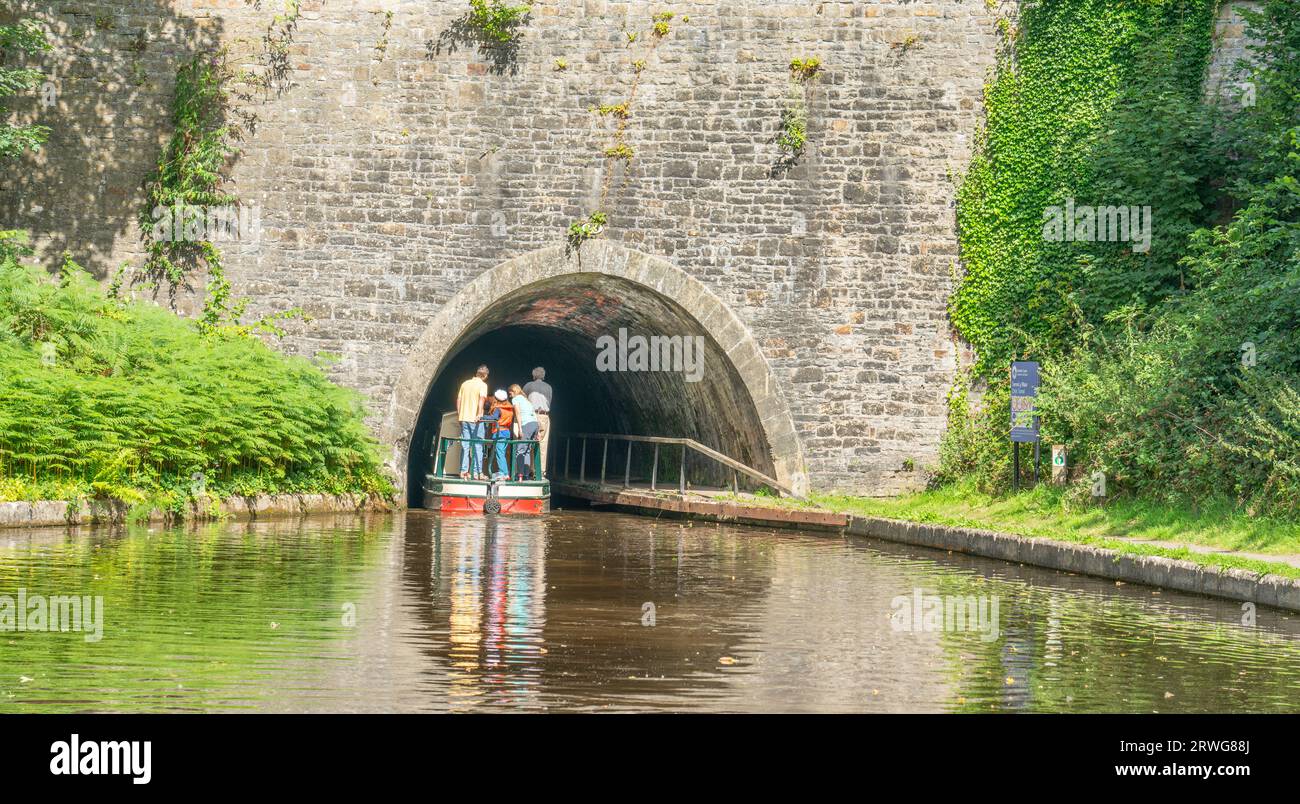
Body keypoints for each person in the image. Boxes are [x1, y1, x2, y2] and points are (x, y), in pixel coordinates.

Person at [455, 365, 489, 479]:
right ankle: (477, 472)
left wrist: (460, 415)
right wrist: (479, 413)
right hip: (475, 420)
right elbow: (482, 399)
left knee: (465, 445)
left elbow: (458, 400)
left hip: (464, 418)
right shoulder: (483, 385)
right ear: (484, 376)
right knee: (477, 445)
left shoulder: (465, 383)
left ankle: (463, 471)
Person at [479, 389, 515, 481]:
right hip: (506, 432)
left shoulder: (498, 409)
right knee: (502, 453)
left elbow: (494, 418)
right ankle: (505, 473)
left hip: (499, 433)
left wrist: (482, 416)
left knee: (500, 454)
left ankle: (504, 473)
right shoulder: (509, 409)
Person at [522, 367, 552, 476]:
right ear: (543, 376)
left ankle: (528, 469)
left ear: (533, 376)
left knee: (529, 441)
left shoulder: (528, 385)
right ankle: (541, 471)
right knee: (542, 444)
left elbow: (523, 400)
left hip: (530, 415)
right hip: (544, 415)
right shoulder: (549, 387)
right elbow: (549, 402)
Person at [509, 384, 539, 480]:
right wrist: (537, 432)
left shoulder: (516, 399)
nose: (510, 396)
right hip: (534, 424)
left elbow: (517, 413)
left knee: (520, 451)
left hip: (526, 424)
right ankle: (526, 475)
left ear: (514, 391)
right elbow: (534, 414)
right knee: (527, 451)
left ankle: (520, 475)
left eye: (510, 393)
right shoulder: (526, 400)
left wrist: (520, 429)